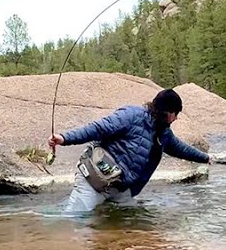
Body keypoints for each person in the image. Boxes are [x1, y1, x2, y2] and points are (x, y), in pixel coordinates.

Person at [49, 88, 213, 214]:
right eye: (176, 114)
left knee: (130, 221)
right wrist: (64, 138)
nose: (176, 118)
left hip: (121, 190)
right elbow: (97, 129)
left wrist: (205, 158)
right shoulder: (132, 116)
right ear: (168, 113)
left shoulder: (164, 133)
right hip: (94, 182)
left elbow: (180, 149)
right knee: (73, 219)